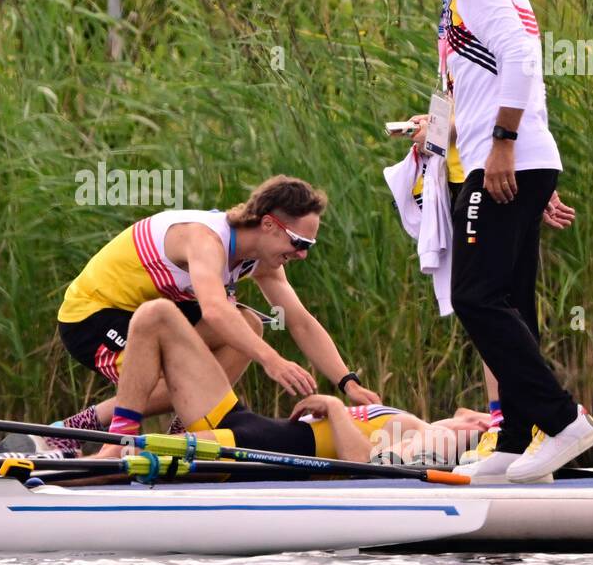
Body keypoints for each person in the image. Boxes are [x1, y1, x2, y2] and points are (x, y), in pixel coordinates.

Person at [366, 0, 593, 483]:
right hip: (505, 162)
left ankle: (564, 420)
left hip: (503, 161)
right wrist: (439, 138)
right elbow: (466, 88)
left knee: (477, 297)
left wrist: (503, 146)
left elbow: (524, 59)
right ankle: (518, 438)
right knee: (512, 300)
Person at [48, 176, 379, 454]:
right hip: (93, 317)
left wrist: (348, 382)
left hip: (147, 313)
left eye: (310, 244)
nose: (303, 254)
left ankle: (182, 431)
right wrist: (272, 361)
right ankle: (87, 433)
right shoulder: (206, 240)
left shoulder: (262, 258)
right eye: (298, 241)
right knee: (211, 341)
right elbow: (215, 311)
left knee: (249, 325)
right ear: (268, 225)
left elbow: (300, 321)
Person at [90, 298, 489, 467]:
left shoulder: (423, 431)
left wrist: (334, 406)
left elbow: (367, 467)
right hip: (248, 422)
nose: (476, 415)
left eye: (483, 421)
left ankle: (79, 463)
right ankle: (111, 437)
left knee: (135, 461)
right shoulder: (421, 424)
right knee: (156, 314)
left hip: (261, 446)